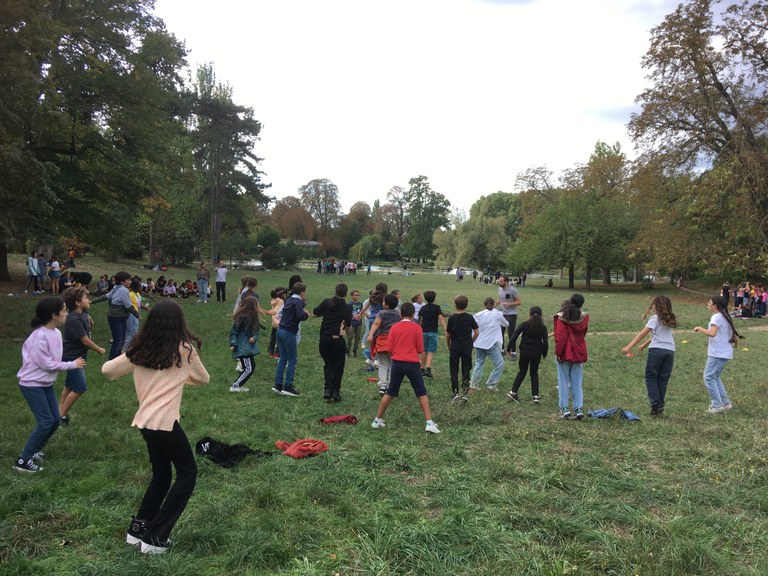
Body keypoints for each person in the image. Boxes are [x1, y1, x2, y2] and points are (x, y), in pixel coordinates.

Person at [101, 300, 207, 554]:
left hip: (145, 421)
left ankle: (137, 530)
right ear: (179, 323)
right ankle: (156, 538)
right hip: (164, 422)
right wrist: (181, 375)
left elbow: (107, 369)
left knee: (161, 475)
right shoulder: (184, 350)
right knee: (187, 473)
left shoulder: (140, 348)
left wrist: (175, 375)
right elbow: (203, 378)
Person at [14, 297, 86, 472]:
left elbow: (54, 360)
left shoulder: (56, 333)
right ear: (54, 315)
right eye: (63, 311)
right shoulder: (39, 337)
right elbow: (47, 365)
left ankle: (34, 451)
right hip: (31, 384)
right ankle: (22, 460)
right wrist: (72, 365)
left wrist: (69, 363)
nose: (67, 313)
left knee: (55, 420)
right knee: (45, 422)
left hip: (45, 383)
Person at [371, 302, 441, 434]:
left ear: (400, 314)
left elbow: (390, 348)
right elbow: (420, 349)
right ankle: (429, 422)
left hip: (397, 363)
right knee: (421, 392)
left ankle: (377, 419)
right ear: (413, 314)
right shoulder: (417, 328)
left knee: (390, 392)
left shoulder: (394, 328)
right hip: (412, 364)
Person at [621, 295, 677, 417]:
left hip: (657, 351)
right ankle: (660, 407)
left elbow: (642, 334)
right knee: (663, 379)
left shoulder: (655, 318)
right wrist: (644, 345)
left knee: (651, 377)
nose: (652, 306)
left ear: (657, 306)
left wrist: (628, 347)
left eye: (653, 304)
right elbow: (658, 335)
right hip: (670, 351)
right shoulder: (669, 318)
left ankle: (655, 405)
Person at [59, 287, 106, 426]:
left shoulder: (82, 313)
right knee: (80, 387)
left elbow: (85, 314)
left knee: (69, 384)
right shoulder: (73, 319)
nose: (89, 300)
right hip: (73, 358)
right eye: (86, 298)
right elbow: (85, 341)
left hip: (79, 356)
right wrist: (99, 350)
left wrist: (89, 317)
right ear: (78, 303)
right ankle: (59, 416)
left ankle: (59, 411)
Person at [693, 295, 742, 414]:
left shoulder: (716, 317)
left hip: (718, 353)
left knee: (708, 377)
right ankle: (725, 403)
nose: (708, 304)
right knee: (715, 377)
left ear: (715, 305)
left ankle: (716, 405)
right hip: (724, 352)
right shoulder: (725, 317)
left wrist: (699, 328)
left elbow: (712, 333)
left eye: (710, 302)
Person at [313, 283, 353, 401]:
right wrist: (345, 328)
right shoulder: (347, 307)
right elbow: (349, 327)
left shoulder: (327, 302)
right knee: (338, 366)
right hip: (337, 339)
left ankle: (327, 389)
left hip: (324, 338)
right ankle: (336, 391)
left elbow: (315, 313)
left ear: (335, 291)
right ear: (346, 294)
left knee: (328, 364)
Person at [554, 294, 589, 420]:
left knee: (563, 381)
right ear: (581, 304)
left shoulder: (561, 318)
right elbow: (582, 334)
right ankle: (578, 408)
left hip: (564, 353)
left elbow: (560, 337)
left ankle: (564, 408)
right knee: (577, 382)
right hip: (578, 352)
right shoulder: (584, 317)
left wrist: (558, 353)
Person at [508, 306, 549, 404]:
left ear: (529, 314)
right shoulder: (542, 327)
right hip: (536, 352)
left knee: (522, 371)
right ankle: (535, 396)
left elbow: (514, 336)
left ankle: (513, 392)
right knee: (534, 373)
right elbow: (545, 343)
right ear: (541, 315)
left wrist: (509, 348)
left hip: (524, 351)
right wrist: (544, 353)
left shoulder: (524, 324)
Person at [274, 282, 308, 397]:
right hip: (289, 332)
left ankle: (278, 385)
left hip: (280, 330)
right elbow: (299, 316)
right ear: (302, 292)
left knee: (283, 358)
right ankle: (288, 386)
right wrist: (306, 314)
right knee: (292, 359)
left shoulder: (288, 300)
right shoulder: (298, 301)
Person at [96, 271, 140, 359]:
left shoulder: (117, 287)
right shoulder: (123, 290)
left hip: (120, 318)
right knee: (118, 341)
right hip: (117, 318)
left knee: (121, 340)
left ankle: (117, 360)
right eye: (128, 280)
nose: (130, 282)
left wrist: (93, 301)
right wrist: (137, 315)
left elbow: (106, 296)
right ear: (122, 281)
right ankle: (112, 361)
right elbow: (128, 306)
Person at [470, 297, 509, 393]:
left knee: (479, 363)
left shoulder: (478, 315)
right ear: (493, 304)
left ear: (484, 305)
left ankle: (474, 383)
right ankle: (491, 384)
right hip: (491, 344)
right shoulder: (498, 314)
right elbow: (506, 324)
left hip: (479, 343)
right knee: (499, 363)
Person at [445, 295, 479, 402]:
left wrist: (449, 345)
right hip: (466, 346)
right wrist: (471, 341)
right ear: (466, 305)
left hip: (455, 346)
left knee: (454, 369)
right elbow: (477, 332)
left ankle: (455, 392)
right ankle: (465, 392)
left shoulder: (452, 318)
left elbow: (448, 334)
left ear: (455, 305)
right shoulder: (469, 317)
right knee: (466, 368)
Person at [368, 294, 402, 395]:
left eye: (383, 302)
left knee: (383, 363)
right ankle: (391, 385)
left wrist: (370, 334)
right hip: (395, 342)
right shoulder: (399, 314)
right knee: (393, 364)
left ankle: (383, 385)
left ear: (386, 305)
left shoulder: (381, 313)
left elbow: (376, 324)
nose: (382, 303)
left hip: (382, 341)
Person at [229, 296, 261, 393]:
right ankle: (235, 385)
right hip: (244, 348)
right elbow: (234, 332)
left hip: (247, 348)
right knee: (249, 368)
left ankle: (238, 385)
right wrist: (233, 343)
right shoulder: (243, 318)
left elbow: (256, 332)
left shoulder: (253, 318)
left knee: (250, 367)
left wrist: (254, 338)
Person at [418, 290, 447, 378]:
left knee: (424, 350)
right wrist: (446, 329)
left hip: (423, 331)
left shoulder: (423, 308)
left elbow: (419, 319)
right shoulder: (436, 307)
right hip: (433, 332)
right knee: (431, 350)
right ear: (434, 298)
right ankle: (428, 368)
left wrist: (418, 328)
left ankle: (422, 369)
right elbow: (441, 318)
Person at [496, 275, 522, 358]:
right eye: (499, 281)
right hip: (502, 314)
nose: (499, 282)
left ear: (506, 282)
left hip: (511, 314)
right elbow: (500, 299)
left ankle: (513, 352)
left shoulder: (513, 290)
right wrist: (495, 304)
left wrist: (510, 304)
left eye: (501, 281)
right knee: (500, 332)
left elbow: (519, 302)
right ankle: (502, 350)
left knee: (511, 333)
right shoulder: (499, 289)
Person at [346, 289, 363, 358]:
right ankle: (347, 352)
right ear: (352, 296)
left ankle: (354, 351)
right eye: (355, 295)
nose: (357, 296)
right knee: (350, 338)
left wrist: (361, 320)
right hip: (351, 323)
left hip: (358, 323)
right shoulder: (349, 304)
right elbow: (347, 314)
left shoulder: (360, 304)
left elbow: (361, 312)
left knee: (357, 338)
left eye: (358, 295)